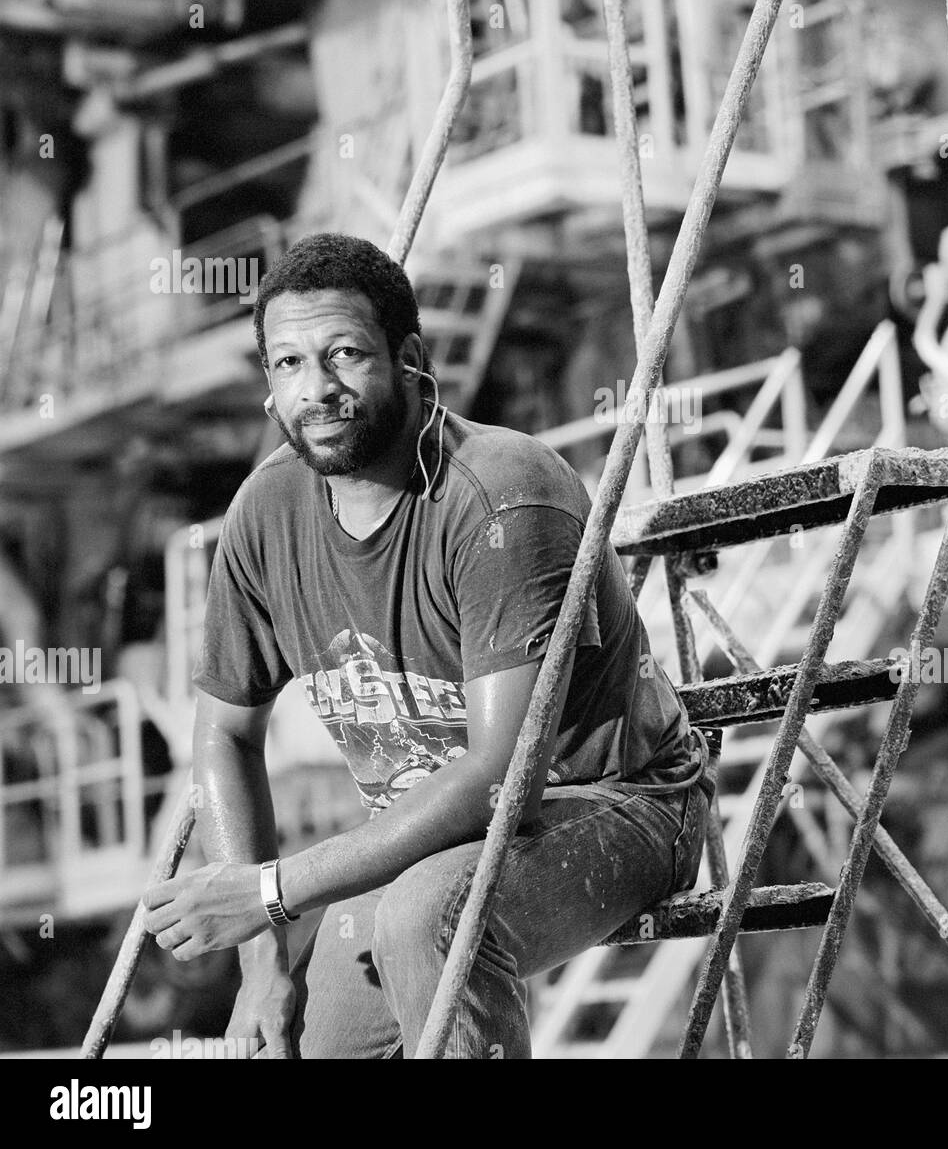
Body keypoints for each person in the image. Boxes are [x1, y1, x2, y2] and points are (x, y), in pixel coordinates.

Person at [141, 233, 713, 1058]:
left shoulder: (501, 496)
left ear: (409, 357)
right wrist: (263, 961)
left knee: (424, 919)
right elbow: (224, 732)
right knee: (317, 1020)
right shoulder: (264, 516)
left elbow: (497, 782)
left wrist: (269, 890)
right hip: (430, 846)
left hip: (616, 803)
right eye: (288, 364)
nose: (317, 390)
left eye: (344, 355)